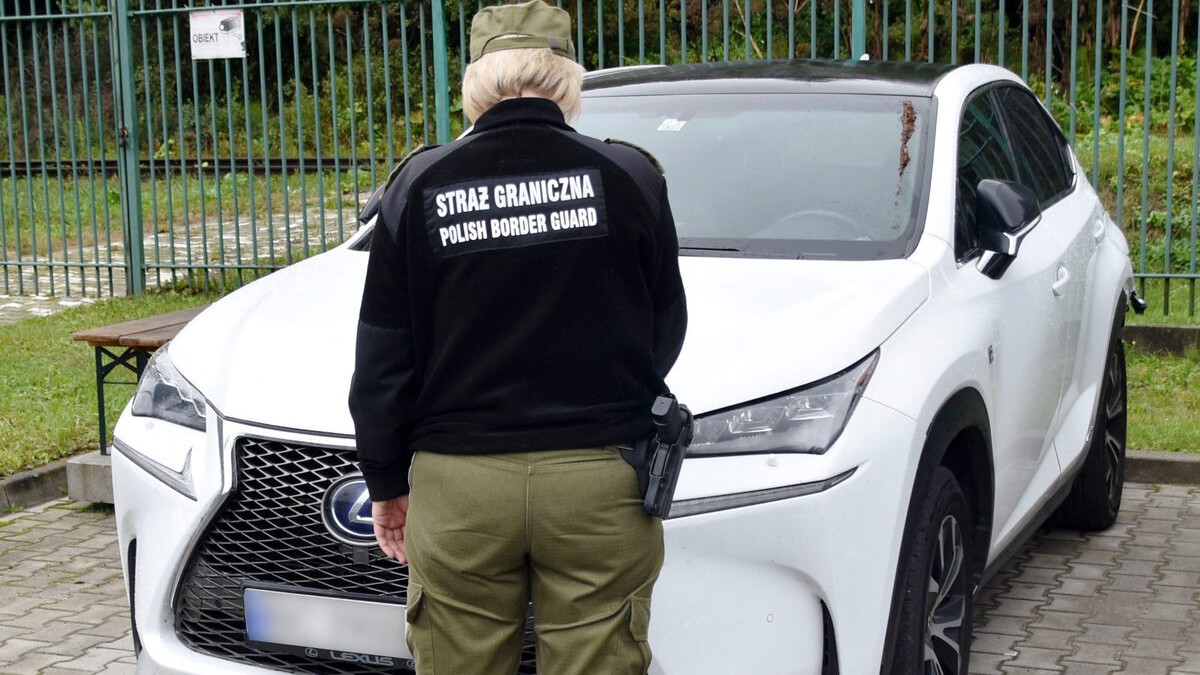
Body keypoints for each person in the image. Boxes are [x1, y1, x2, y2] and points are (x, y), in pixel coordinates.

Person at [347, 1, 687, 673]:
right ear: (568, 78)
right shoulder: (630, 176)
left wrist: (384, 479)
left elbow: (383, 357)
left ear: (474, 82)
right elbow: (664, 325)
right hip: (599, 480)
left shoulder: (420, 183)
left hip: (461, 485)